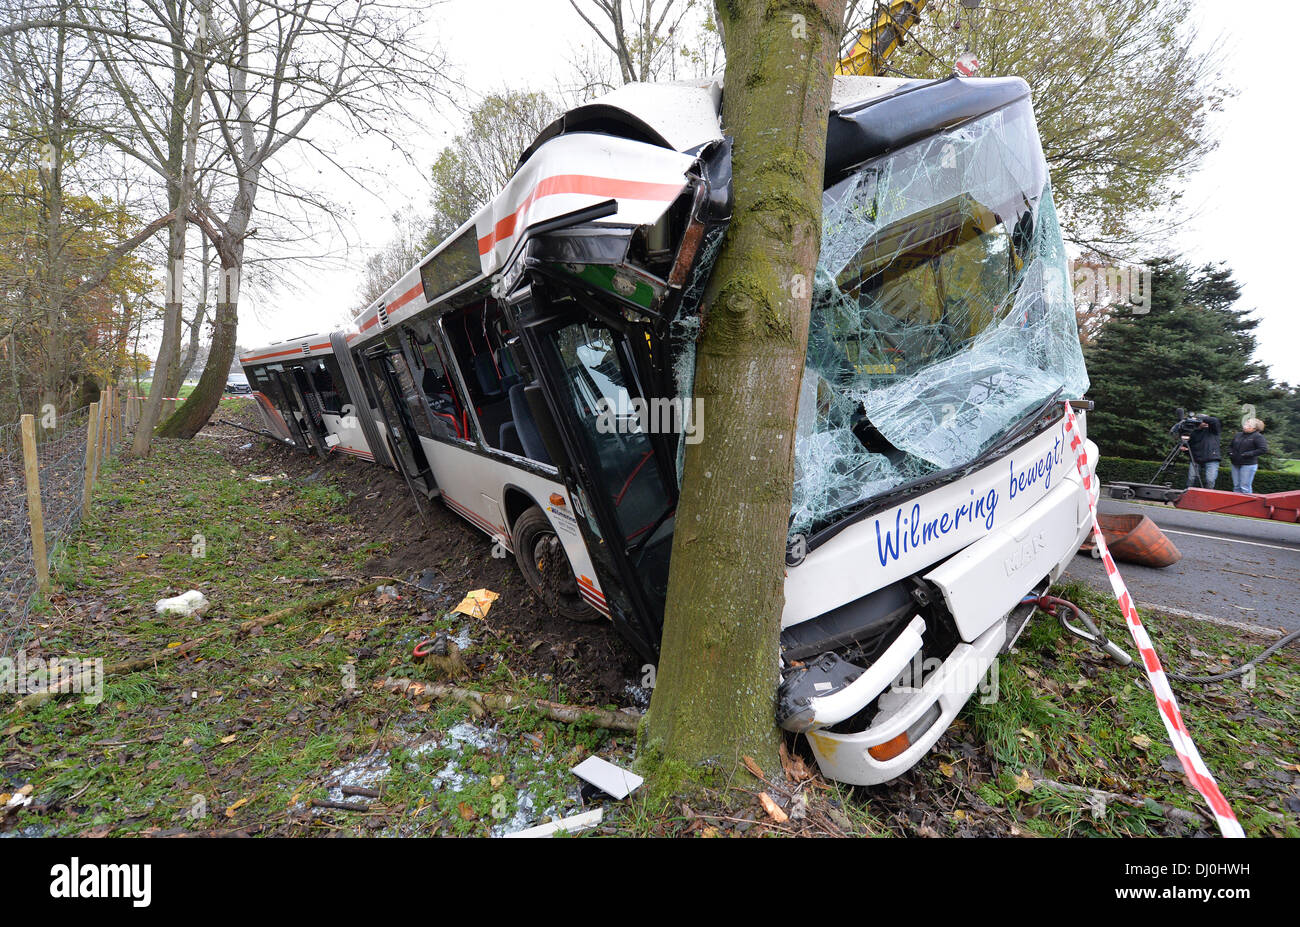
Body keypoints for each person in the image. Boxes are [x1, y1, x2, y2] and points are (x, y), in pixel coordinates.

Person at [1174, 413, 1221, 488]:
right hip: (1196, 459)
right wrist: (1185, 450)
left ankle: (1207, 497)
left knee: (1210, 480)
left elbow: (1215, 421)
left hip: (1211, 458)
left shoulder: (1213, 430)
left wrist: (1202, 418)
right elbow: (1190, 447)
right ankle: (1188, 495)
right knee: (1191, 479)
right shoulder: (1194, 432)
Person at [1228, 418, 1268, 494]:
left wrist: (1248, 454)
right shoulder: (1238, 435)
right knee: (1236, 486)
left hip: (1248, 464)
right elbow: (1230, 446)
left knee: (1245, 487)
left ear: (1254, 428)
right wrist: (1230, 453)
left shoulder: (1258, 436)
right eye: (1245, 424)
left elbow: (1263, 449)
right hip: (1235, 463)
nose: (1245, 426)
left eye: (1248, 425)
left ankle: (1247, 504)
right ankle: (1236, 504)